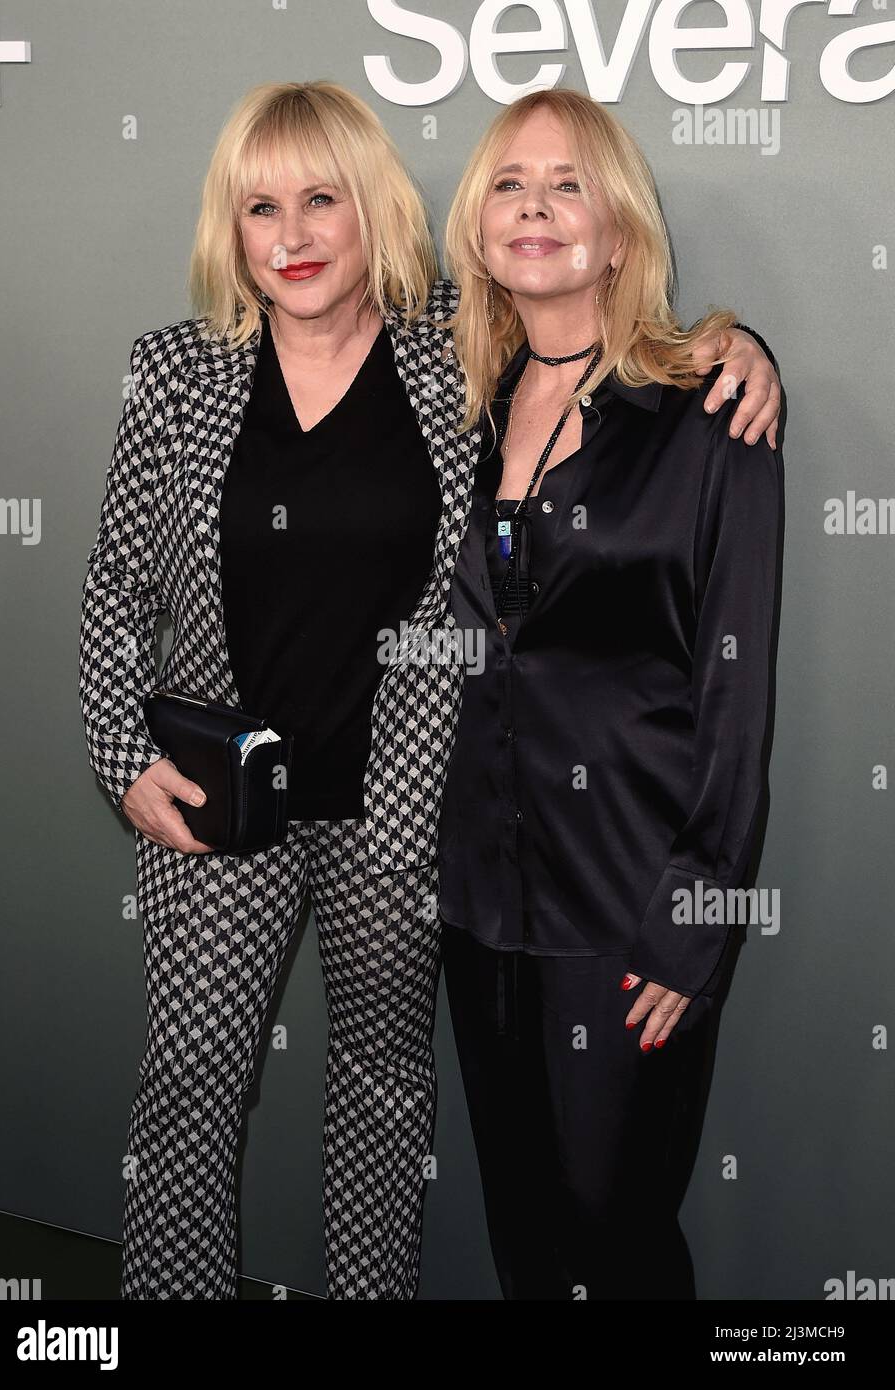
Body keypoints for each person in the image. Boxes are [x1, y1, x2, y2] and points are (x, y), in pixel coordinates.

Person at [78, 80, 779, 1301]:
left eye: (320, 201)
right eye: (259, 208)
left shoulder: (454, 344)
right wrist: (119, 753)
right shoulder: (175, 373)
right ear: (228, 229)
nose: (290, 237)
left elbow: (606, 329)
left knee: (384, 1095)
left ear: (375, 213)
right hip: (220, 807)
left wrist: (733, 342)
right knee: (189, 1086)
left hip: (403, 819)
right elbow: (110, 593)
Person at [436, 88, 784, 1300]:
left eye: (566, 183)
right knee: (524, 1233)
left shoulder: (710, 415)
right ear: (475, 223)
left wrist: (696, 919)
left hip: (633, 910)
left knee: (616, 1236)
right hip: (478, 903)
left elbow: (736, 696)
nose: (532, 206)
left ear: (622, 230)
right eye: (507, 184)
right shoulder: (454, 407)